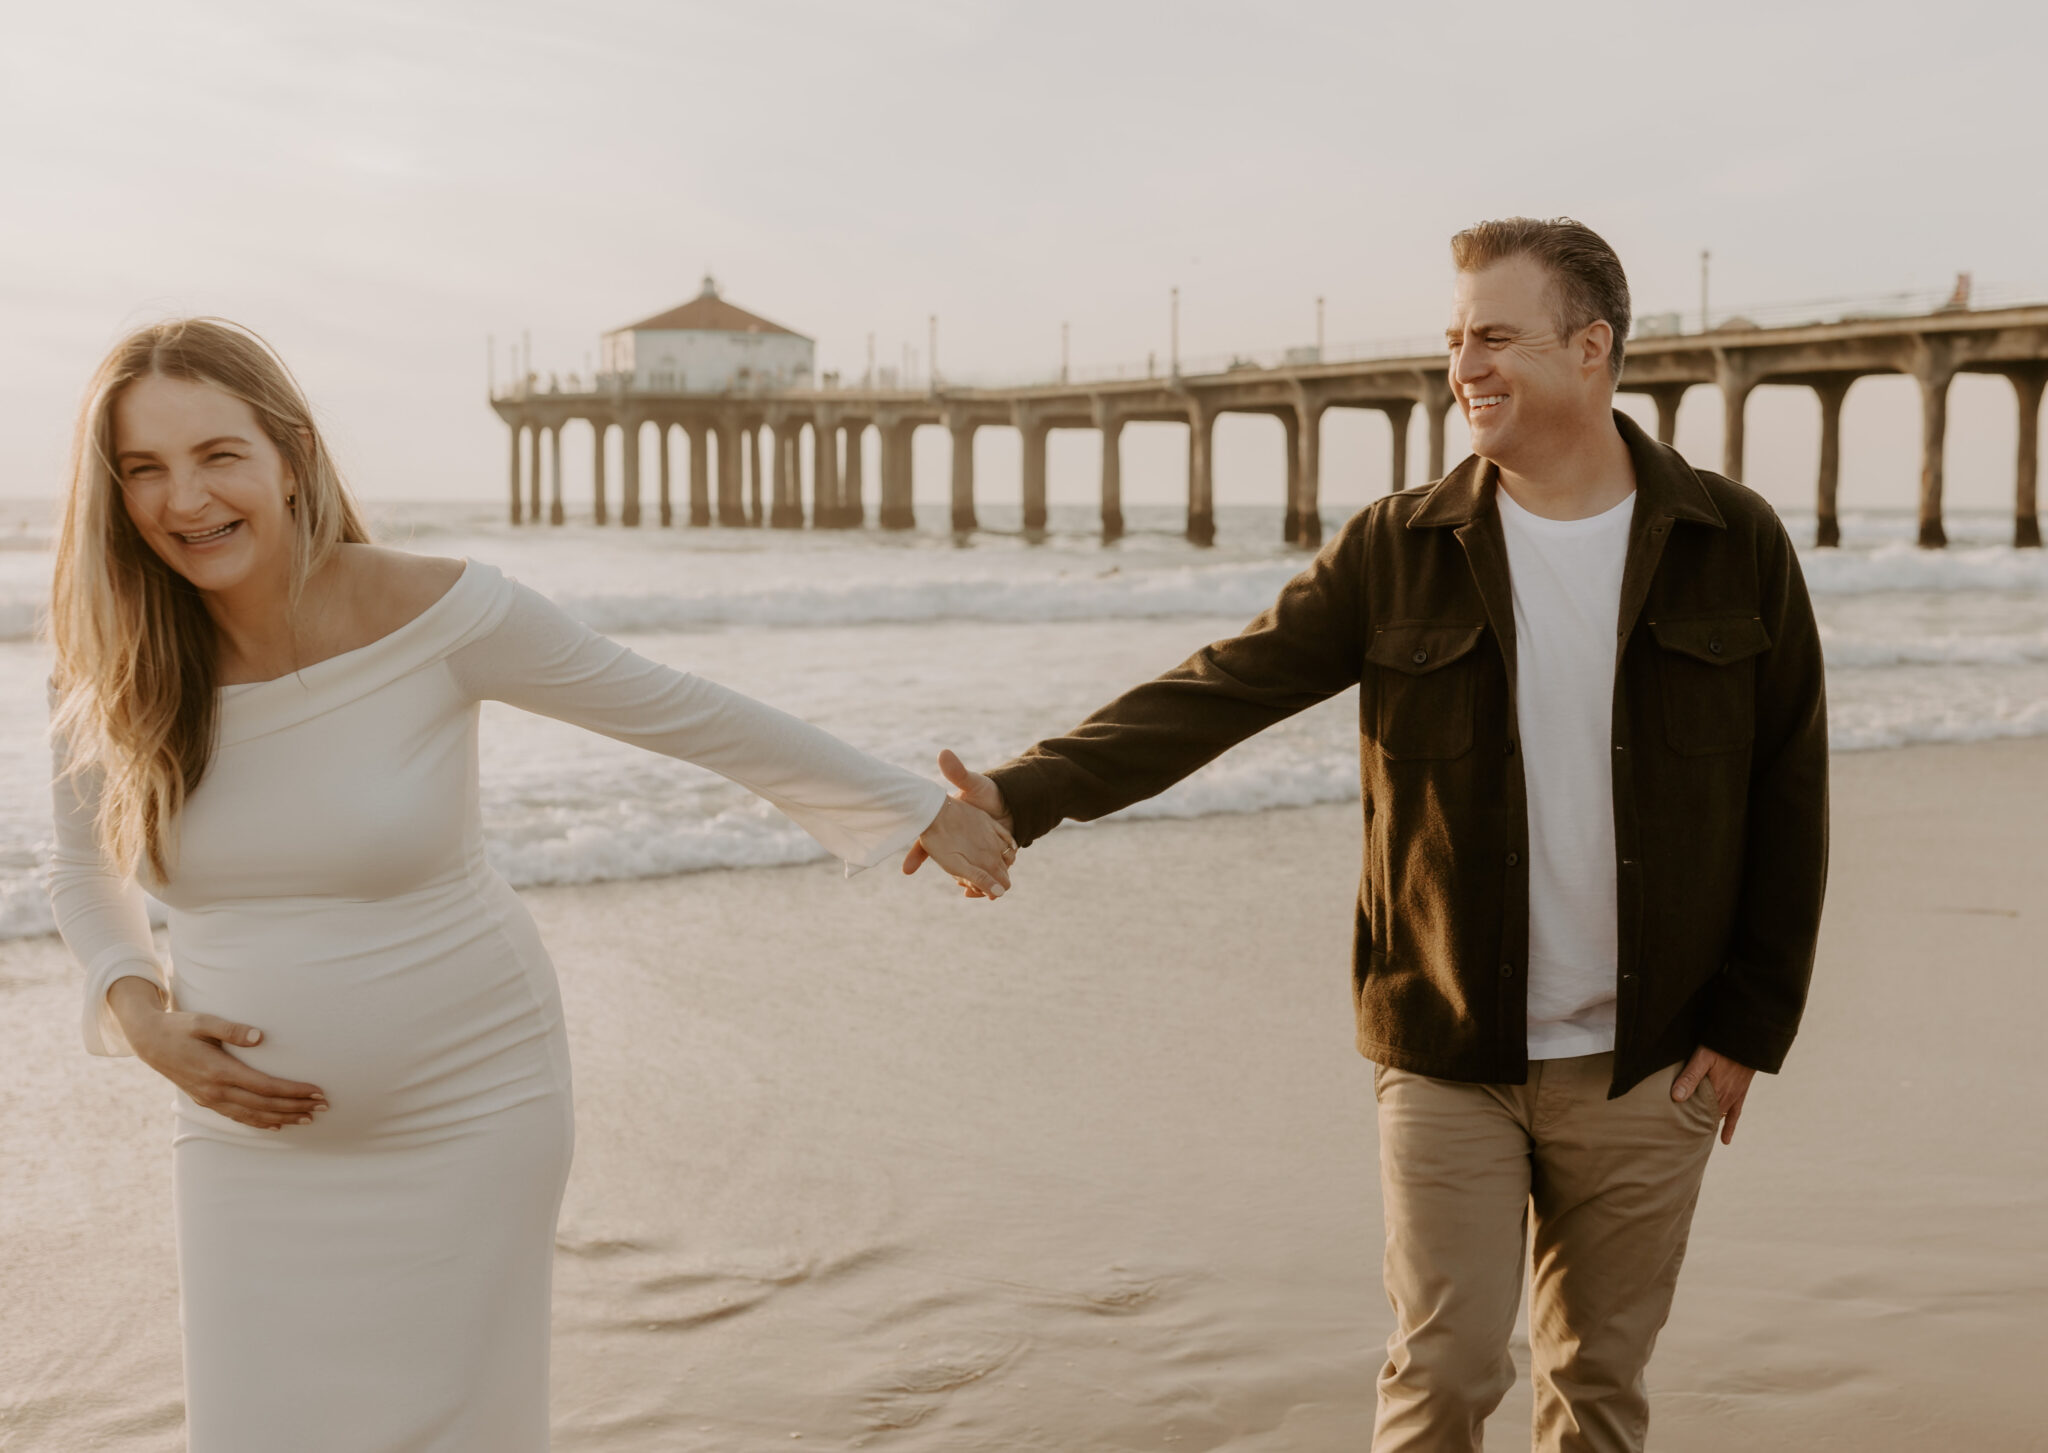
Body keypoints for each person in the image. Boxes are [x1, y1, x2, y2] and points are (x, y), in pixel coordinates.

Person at [913, 218, 1829, 1451]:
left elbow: (1788, 790)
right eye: (1453, 339)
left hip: (1651, 1057)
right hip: (1447, 1046)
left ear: (1591, 347)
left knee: (1596, 1385)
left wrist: (1747, 1028)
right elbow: (1222, 686)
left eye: (1493, 335)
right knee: (1441, 1372)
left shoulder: (1734, 541)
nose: (1463, 365)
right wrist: (1023, 792)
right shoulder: (1396, 549)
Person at [44, 317, 1016, 1452]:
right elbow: (79, 866)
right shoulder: (113, 651)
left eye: (219, 454)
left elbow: (680, 709)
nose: (186, 499)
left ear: (291, 456)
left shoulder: (440, 611)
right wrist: (140, 1016)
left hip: (469, 1111)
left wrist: (912, 806)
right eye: (145, 468)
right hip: (242, 1145)